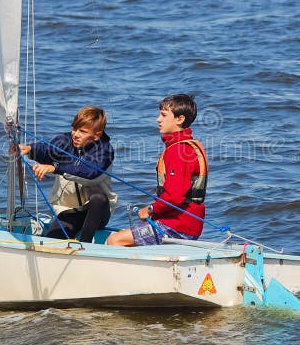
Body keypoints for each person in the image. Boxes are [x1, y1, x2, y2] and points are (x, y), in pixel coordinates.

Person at [106, 94, 208, 246]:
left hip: (176, 226)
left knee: (115, 240)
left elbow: (175, 196)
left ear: (179, 119)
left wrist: (151, 209)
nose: (158, 119)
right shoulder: (189, 145)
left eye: (163, 115)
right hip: (187, 225)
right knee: (126, 235)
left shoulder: (178, 151)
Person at [19, 106, 117, 242]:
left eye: (82, 131)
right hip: (69, 212)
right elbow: (48, 150)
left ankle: (85, 244)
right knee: (51, 242)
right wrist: (30, 149)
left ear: (97, 135)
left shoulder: (105, 151)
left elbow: (89, 173)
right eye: (74, 128)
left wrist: (55, 168)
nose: (75, 134)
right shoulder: (64, 141)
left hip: (97, 213)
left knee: (98, 197)